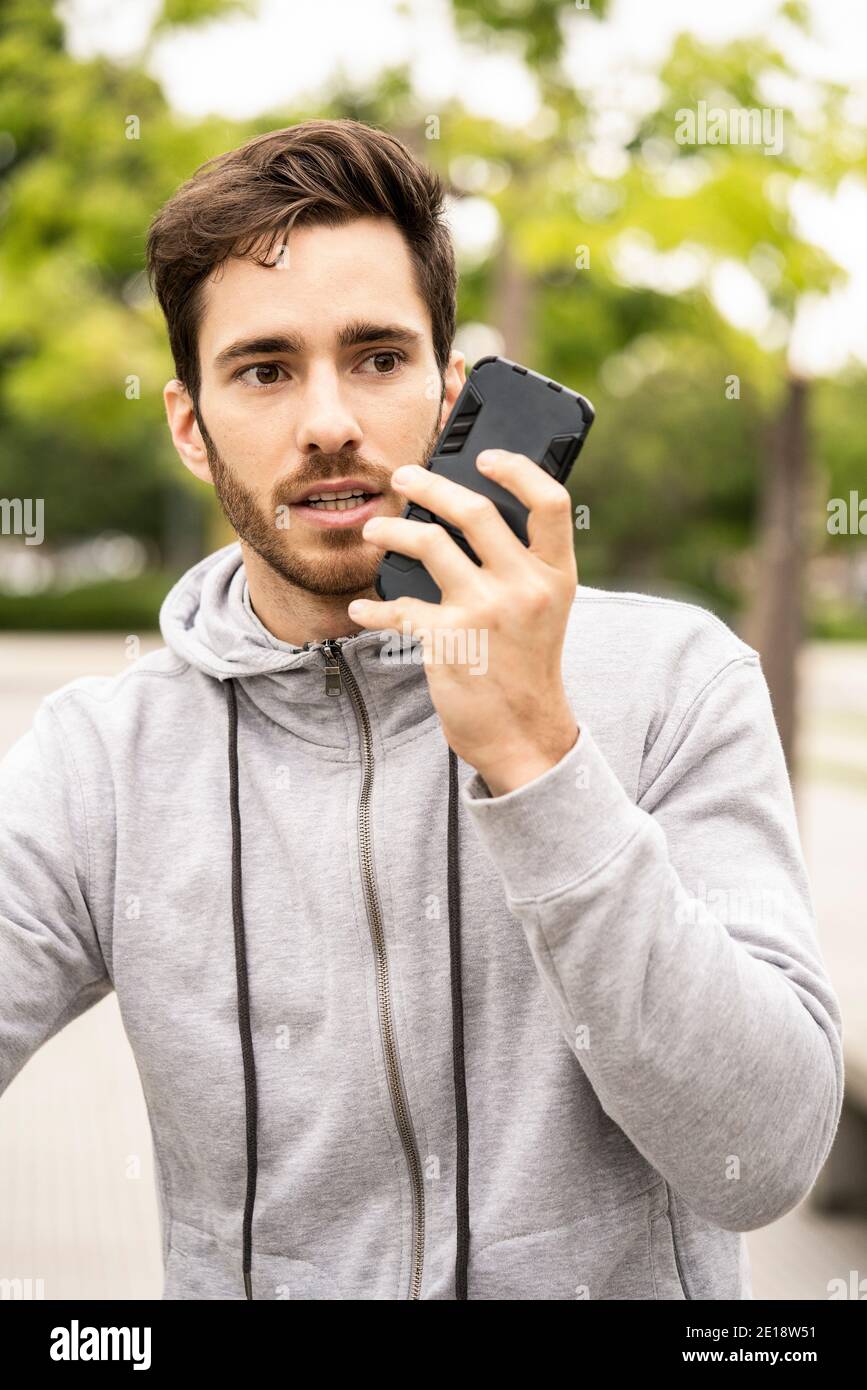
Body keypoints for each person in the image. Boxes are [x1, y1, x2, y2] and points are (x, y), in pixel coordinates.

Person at [0, 118, 843, 1301]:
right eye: (264, 368)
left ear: (452, 395)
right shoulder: (100, 762)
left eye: (378, 357)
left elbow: (766, 1157)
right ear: (190, 425)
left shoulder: (672, 680)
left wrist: (541, 758)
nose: (329, 419)